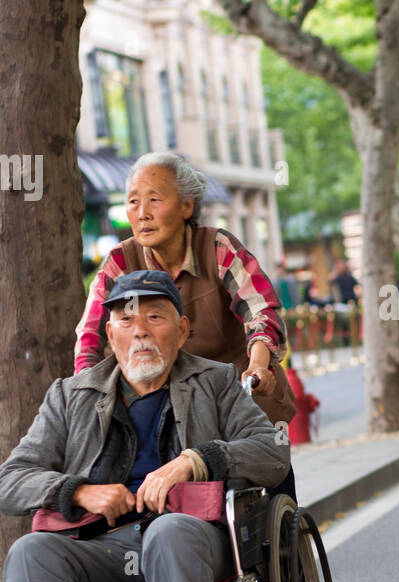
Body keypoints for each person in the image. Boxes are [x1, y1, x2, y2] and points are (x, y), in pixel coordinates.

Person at [0, 271, 292, 582]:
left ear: (181, 329)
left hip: (196, 543)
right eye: (125, 319)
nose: (139, 331)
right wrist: (77, 492)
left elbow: (272, 451)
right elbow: (10, 480)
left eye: (155, 317)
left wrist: (197, 460)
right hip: (104, 551)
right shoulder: (68, 395)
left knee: (170, 532)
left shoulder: (216, 381)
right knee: (29, 554)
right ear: (109, 333)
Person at [74, 152, 295, 431]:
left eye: (155, 200)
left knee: (262, 466)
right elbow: (89, 337)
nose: (142, 213)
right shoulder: (120, 261)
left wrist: (259, 366)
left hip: (245, 401)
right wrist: (86, 393)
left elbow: (261, 311)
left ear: (186, 206)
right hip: (171, 416)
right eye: (133, 202)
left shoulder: (218, 247)